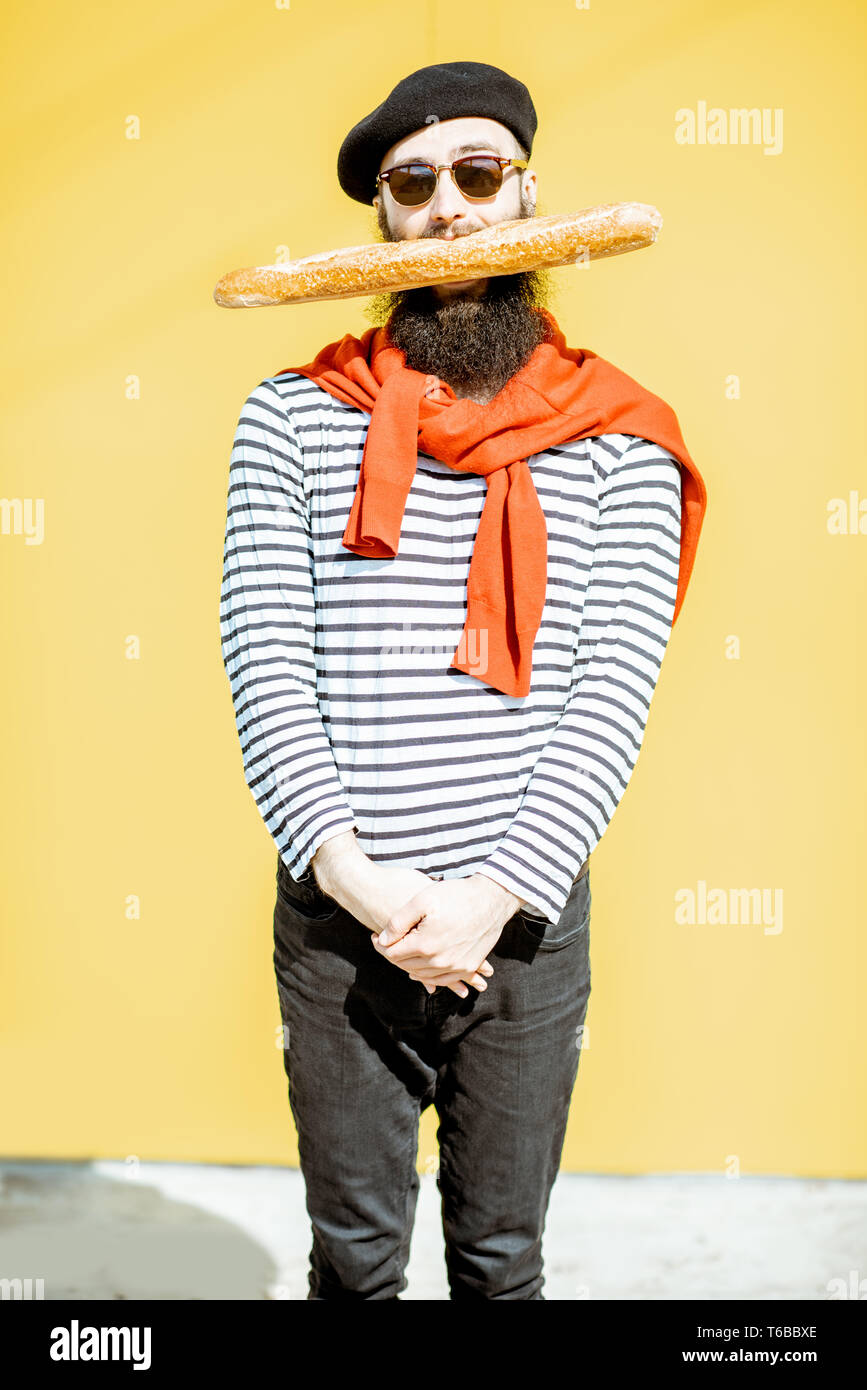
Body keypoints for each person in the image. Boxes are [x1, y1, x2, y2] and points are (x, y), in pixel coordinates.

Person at [219, 60, 706, 1300]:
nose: (452, 209)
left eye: (480, 176)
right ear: (381, 216)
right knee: (357, 1261)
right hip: (339, 923)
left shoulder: (621, 436)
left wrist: (492, 894)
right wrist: (362, 881)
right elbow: (264, 657)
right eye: (414, 184)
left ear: (528, 196)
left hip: (526, 930)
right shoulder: (289, 417)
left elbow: (612, 690)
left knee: (501, 1262)